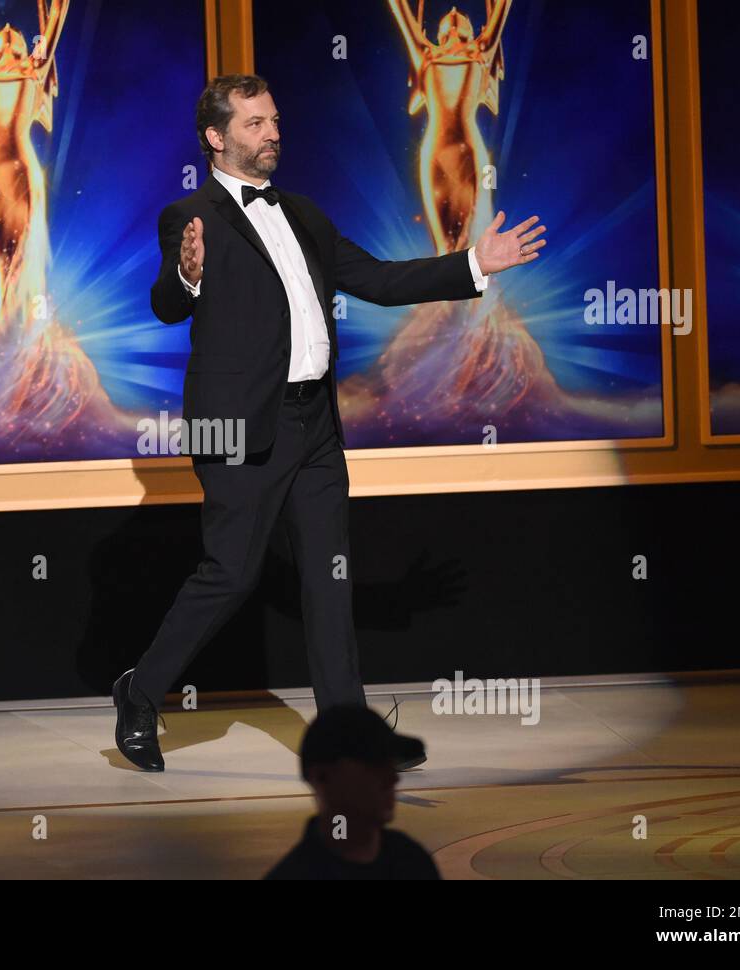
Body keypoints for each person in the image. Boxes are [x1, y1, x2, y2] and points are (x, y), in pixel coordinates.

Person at [113, 74, 545, 771]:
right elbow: (167, 301)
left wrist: (473, 265)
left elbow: (377, 280)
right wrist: (188, 275)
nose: (272, 132)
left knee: (327, 578)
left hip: (314, 425)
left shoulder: (305, 214)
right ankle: (141, 693)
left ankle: (348, 736)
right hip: (240, 428)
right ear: (217, 139)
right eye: (254, 123)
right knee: (229, 575)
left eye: (275, 119)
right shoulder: (189, 216)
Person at [264, 704, 440, 879]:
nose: (393, 779)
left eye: (390, 765)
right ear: (321, 777)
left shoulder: (413, 863)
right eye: (373, 766)